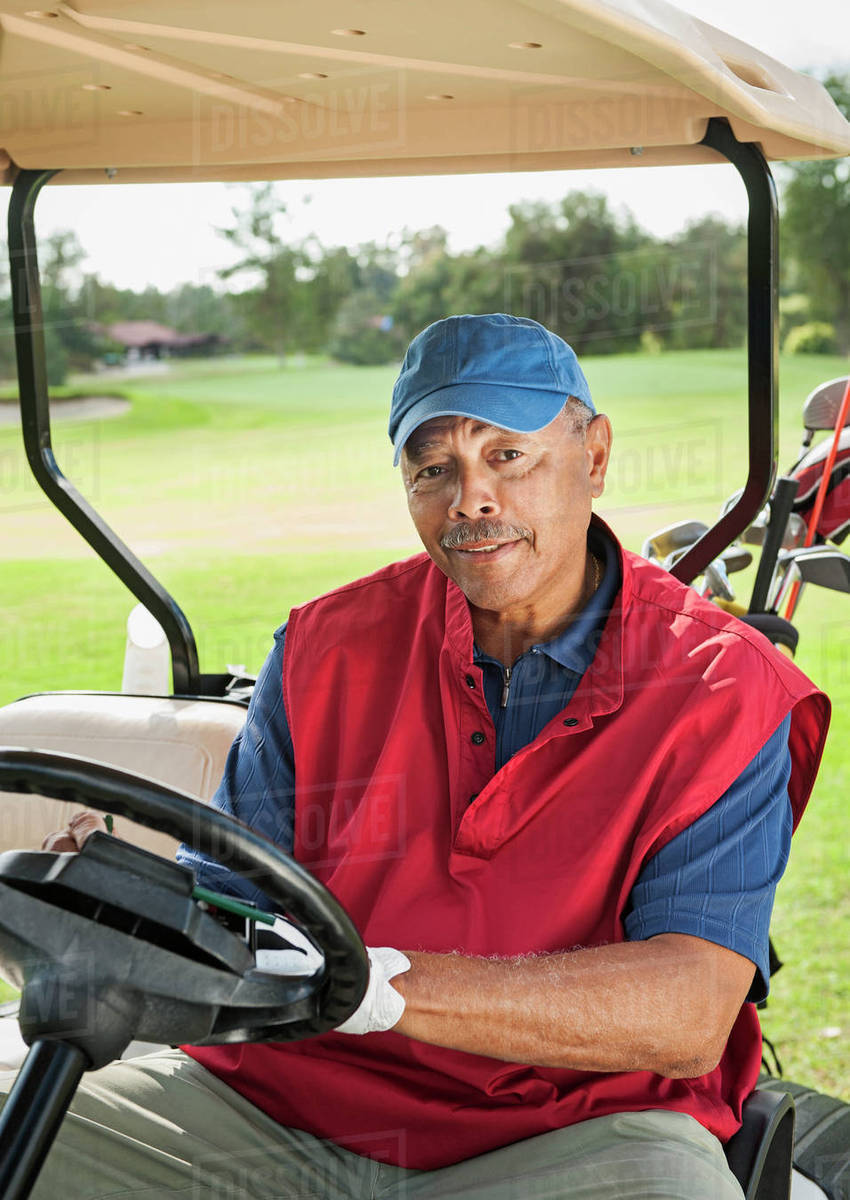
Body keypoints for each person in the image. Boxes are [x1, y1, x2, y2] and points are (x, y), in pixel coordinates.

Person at [18, 314, 829, 1199]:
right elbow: (235, 907)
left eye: (507, 456)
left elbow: (685, 1013)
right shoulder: (327, 647)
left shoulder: (724, 688)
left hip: (576, 1134)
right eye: (433, 468)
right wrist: (132, 904)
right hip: (280, 1102)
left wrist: (385, 987)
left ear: (593, 456)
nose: (469, 500)